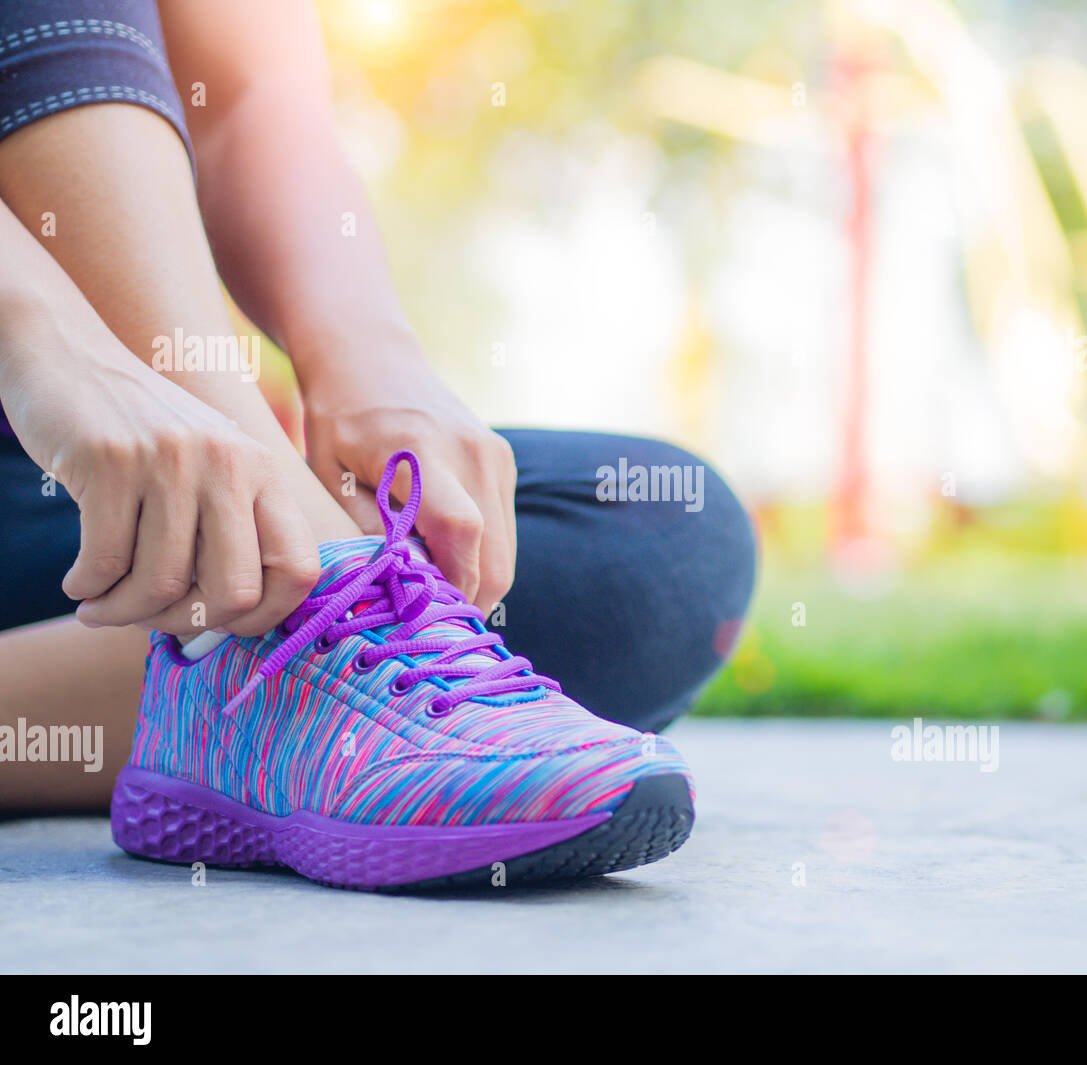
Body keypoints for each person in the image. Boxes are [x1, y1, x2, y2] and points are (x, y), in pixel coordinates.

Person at [0, 1, 754, 888]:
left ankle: (243, 660)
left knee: (654, 537)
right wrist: (39, 337)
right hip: (54, 423)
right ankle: (279, 644)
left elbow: (244, 97)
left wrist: (370, 363)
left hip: (87, 522)